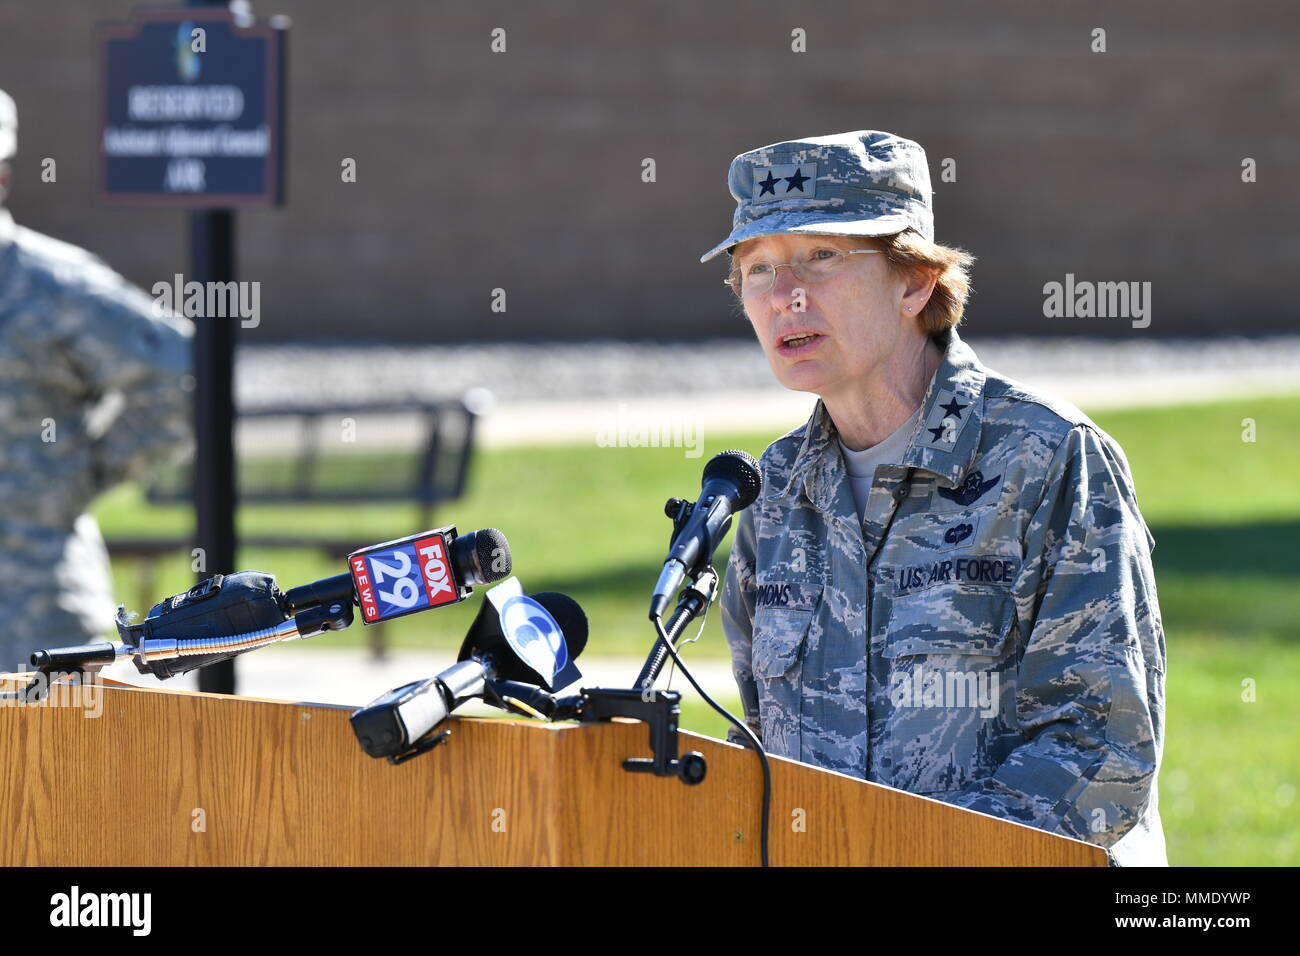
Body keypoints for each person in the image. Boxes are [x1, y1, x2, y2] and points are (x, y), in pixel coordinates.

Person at [707, 130, 1167, 866]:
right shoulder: (772, 489)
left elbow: (1100, 748)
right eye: (757, 269)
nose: (786, 295)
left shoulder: (1046, 457)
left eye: (822, 257)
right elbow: (763, 738)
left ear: (915, 281)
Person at [0, 88, 194, 670]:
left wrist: (86, 472)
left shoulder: (50, 285)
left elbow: (183, 378)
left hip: (31, 612)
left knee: (52, 762)